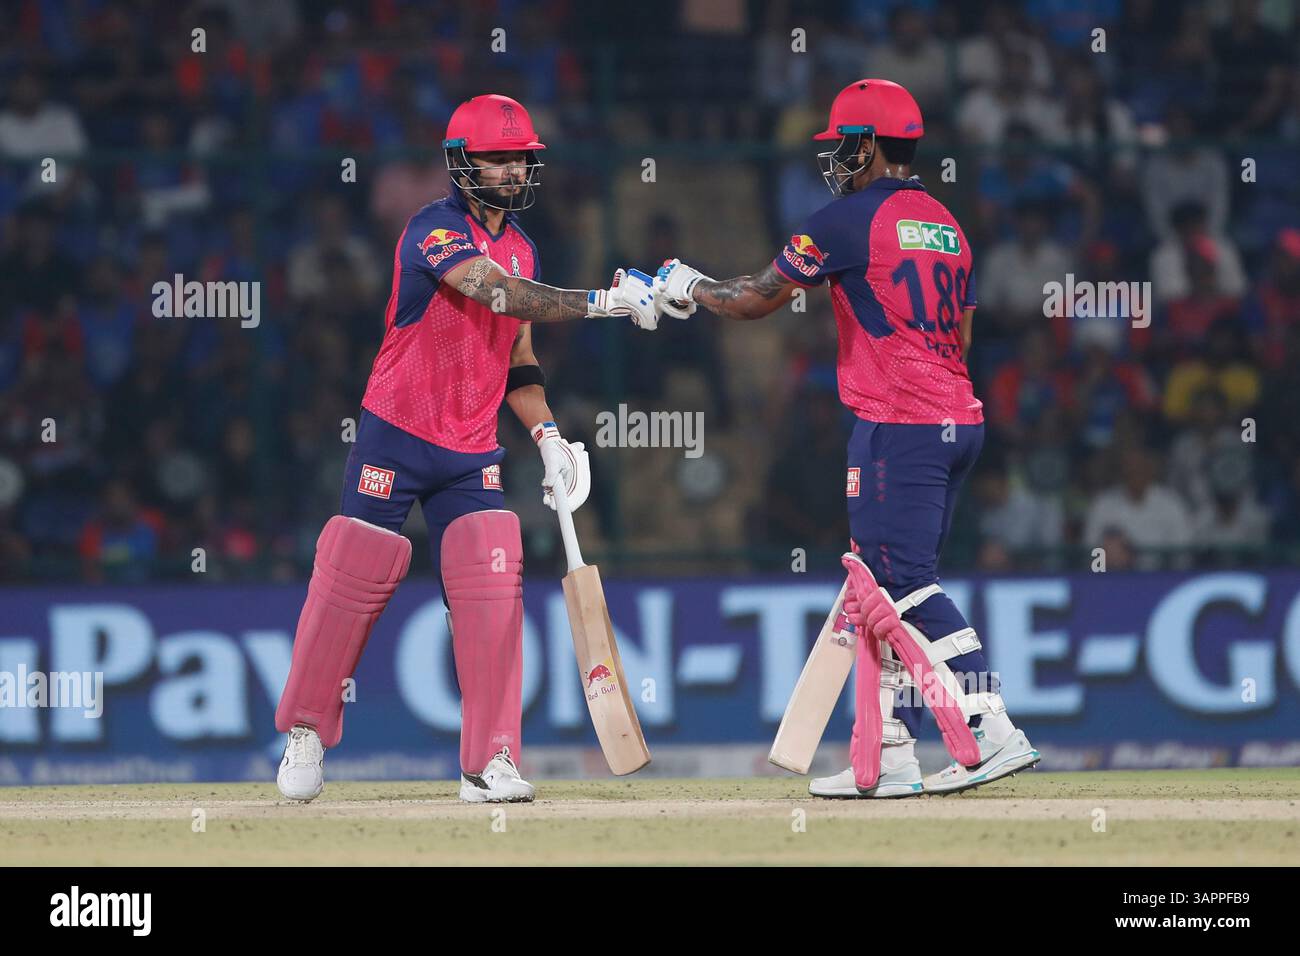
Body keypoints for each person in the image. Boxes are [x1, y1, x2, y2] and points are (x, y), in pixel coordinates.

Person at [647, 79, 1039, 798]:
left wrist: (690, 286)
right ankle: (890, 753)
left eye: (841, 144)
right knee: (883, 588)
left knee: (906, 586)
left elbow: (755, 299)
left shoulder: (844, 219)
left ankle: (990, 725)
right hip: (958, 419)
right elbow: (963, 335)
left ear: (866, 144)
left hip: (899, 426)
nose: (834, 158)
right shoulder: (948, 223)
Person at [274, 94, 663, 803]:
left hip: (470, 447)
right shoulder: (432, 230)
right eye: (500, 157)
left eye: (522, 158)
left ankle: (490, 762)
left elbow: (519, 362)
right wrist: (604, 302)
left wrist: (549, 437)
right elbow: (501, 296)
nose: (514, 169)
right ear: (462, 164)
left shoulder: (524, 247)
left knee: (490, 592)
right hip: (395, 430)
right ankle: (304, 730)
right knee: (351, 579)